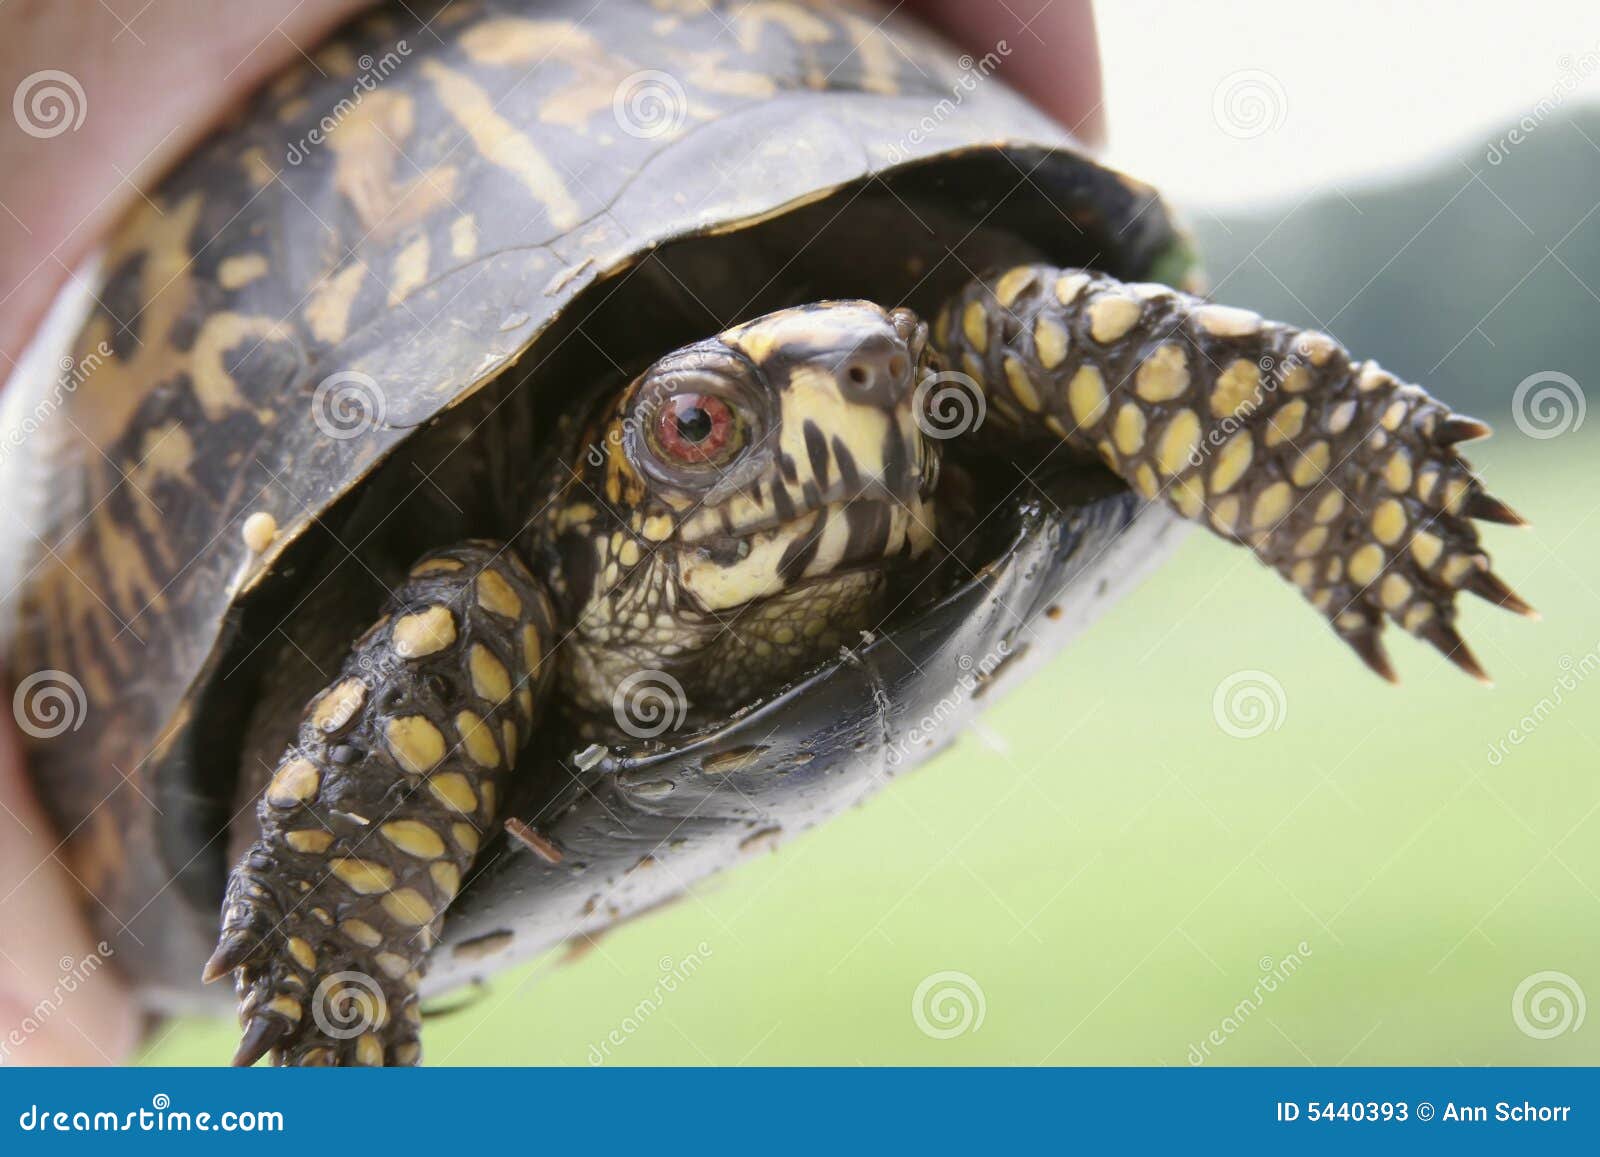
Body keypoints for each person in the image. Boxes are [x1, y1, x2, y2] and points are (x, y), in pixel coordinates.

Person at [0, 0, 1101, 1063]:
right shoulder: (466, 609)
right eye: (698, 428)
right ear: (585, 490)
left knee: (1030, 331)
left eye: (887, 375)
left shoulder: (965, 355)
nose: (855, 393)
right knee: (464, 615)